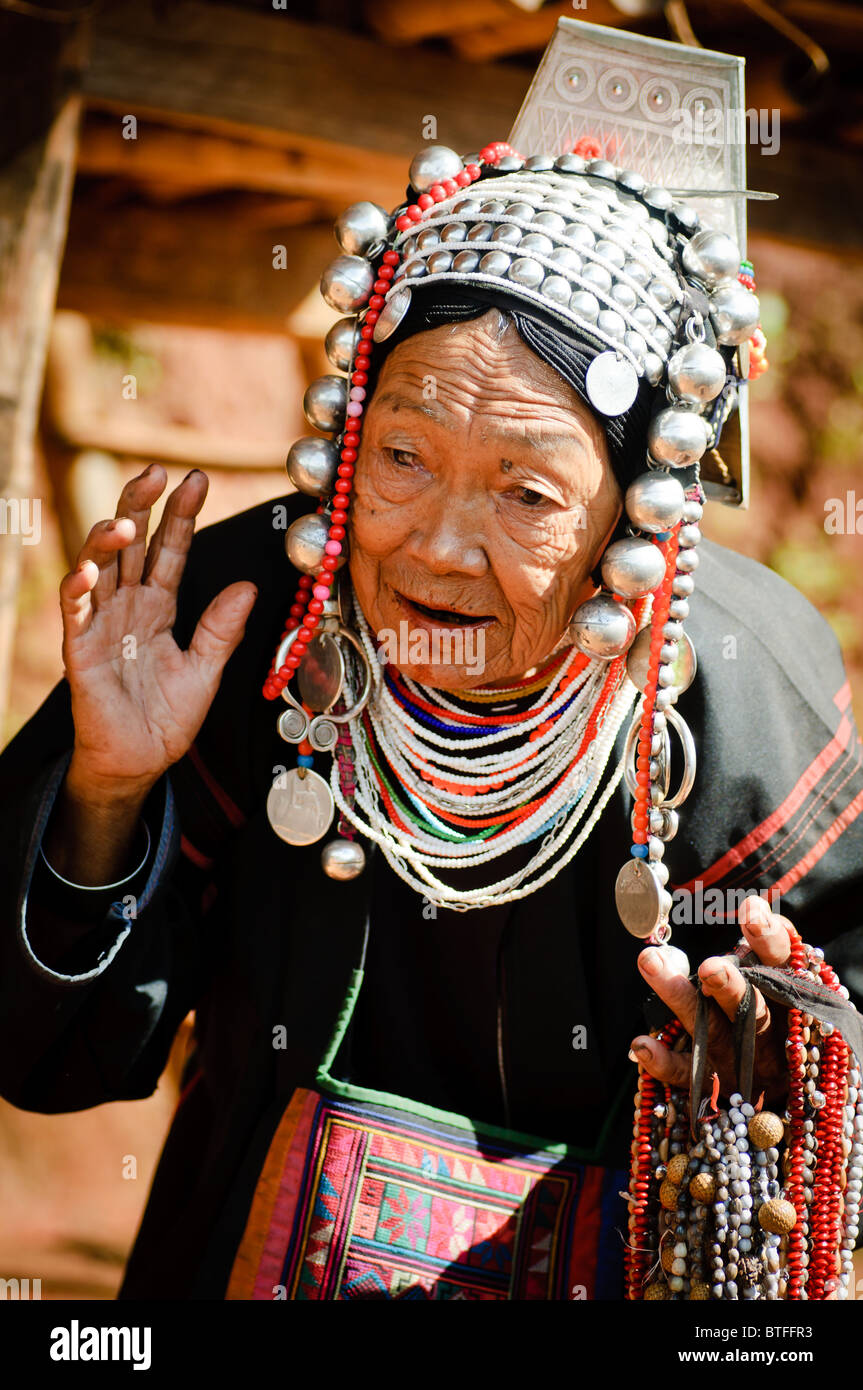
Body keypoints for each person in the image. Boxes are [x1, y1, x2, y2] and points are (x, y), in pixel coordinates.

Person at [1, 133, 862, 1302]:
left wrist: (779, 1056)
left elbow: (832, 1074)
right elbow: (45, 1056)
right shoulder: (243, 623)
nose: (441, 546)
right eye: (402, 454)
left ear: (634, 513)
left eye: (525, 490)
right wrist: (104, 791)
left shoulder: (730, 695)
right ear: (347, 437)